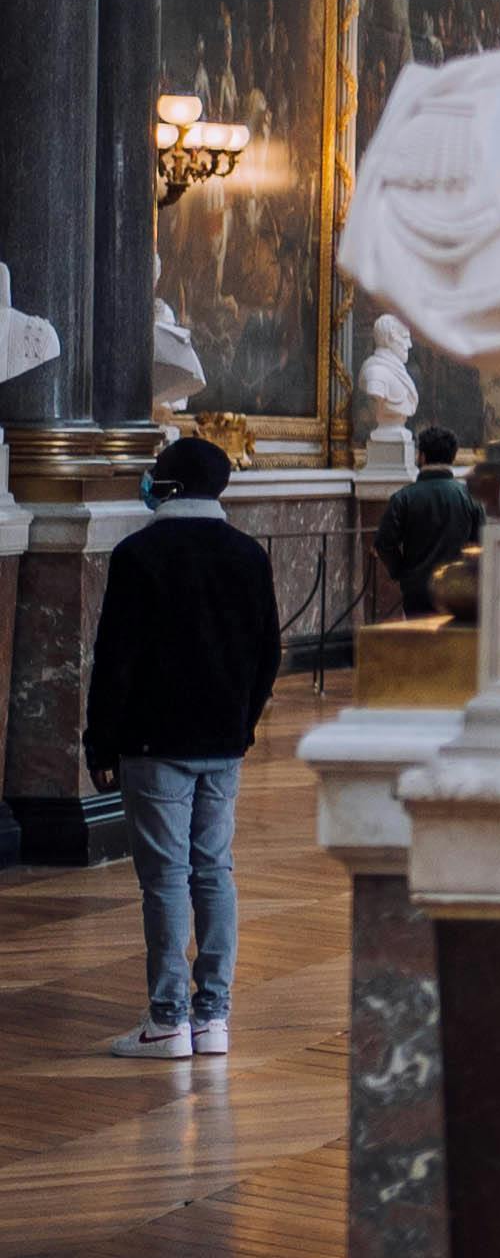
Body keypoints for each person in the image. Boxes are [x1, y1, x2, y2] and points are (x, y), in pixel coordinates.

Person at [81, 432, 284, 1064]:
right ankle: (213, 1017)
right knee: (214, 871)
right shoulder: (249, 555)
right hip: (222, 741)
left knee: (165, 879)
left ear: (166, 484)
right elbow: (268, 654)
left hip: (153, 739)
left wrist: (101, 742)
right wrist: (242, 723)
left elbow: (114, 659)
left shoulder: (139, 553)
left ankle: (167, 1020)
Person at [373, 422, 479, 618]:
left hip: (417, 591)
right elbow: (479, 544)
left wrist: (401, 571)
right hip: (459, 591)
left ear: (421, 456)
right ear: (453, 457)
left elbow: (384, 543)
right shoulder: (470, 498)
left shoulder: (403, 498)